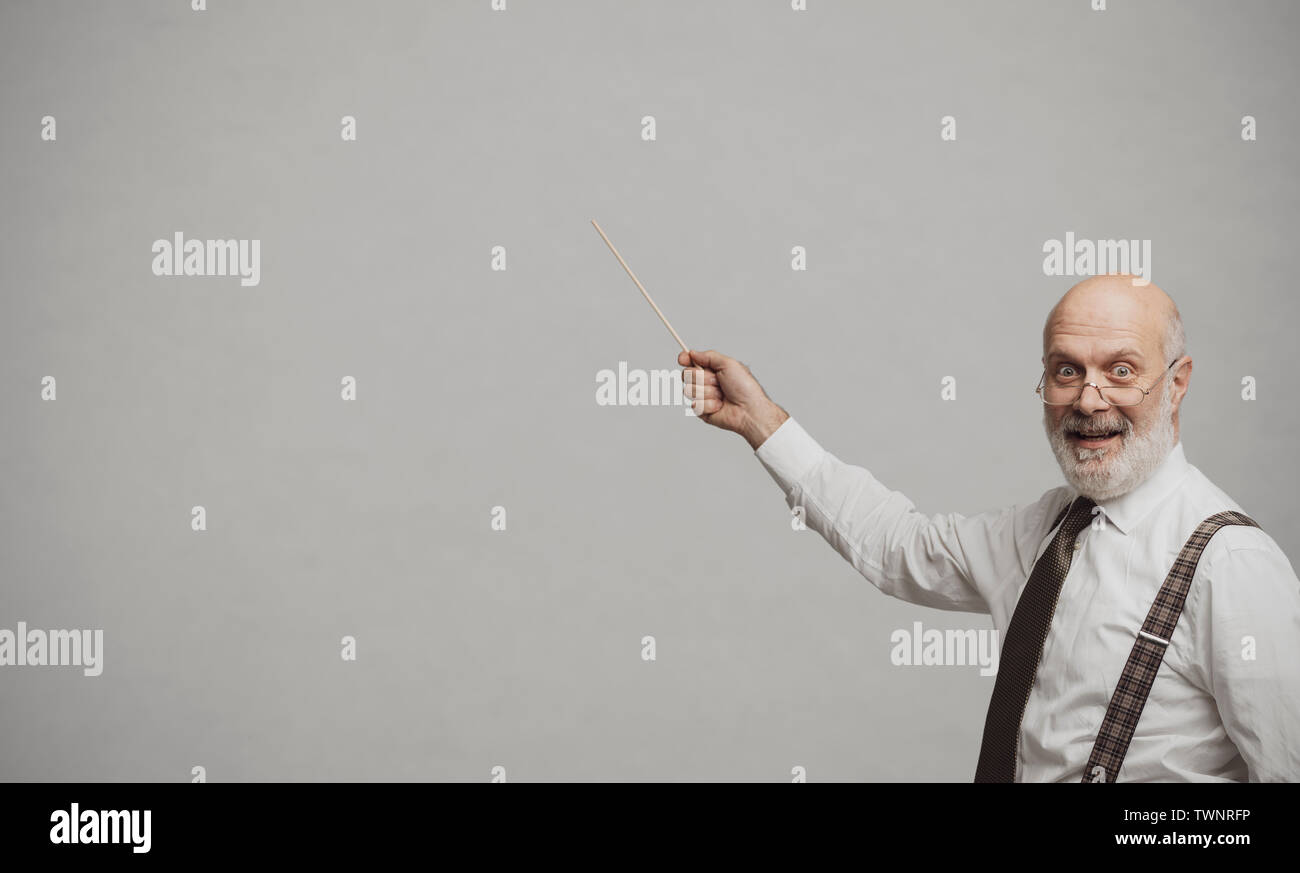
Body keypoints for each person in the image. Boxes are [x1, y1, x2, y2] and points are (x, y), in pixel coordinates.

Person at [678, 274, 1300, 782]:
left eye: (1120, 370)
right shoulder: (1045, 531)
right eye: (1066, 371)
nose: (1088, 400)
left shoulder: (1232, 564)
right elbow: (898, 547)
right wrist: (762, 421)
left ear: (1177, 384)